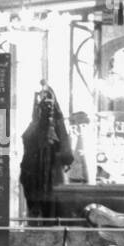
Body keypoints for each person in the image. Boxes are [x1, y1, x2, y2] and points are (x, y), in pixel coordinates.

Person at [19, 82, 73, 220]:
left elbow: (67, 155)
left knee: (52, 214)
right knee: (37, 213)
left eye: (49, 106)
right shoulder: (34, 127)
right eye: (44, 106)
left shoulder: (57, 127)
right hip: (35, 179)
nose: (47, 109)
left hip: (52, 180)